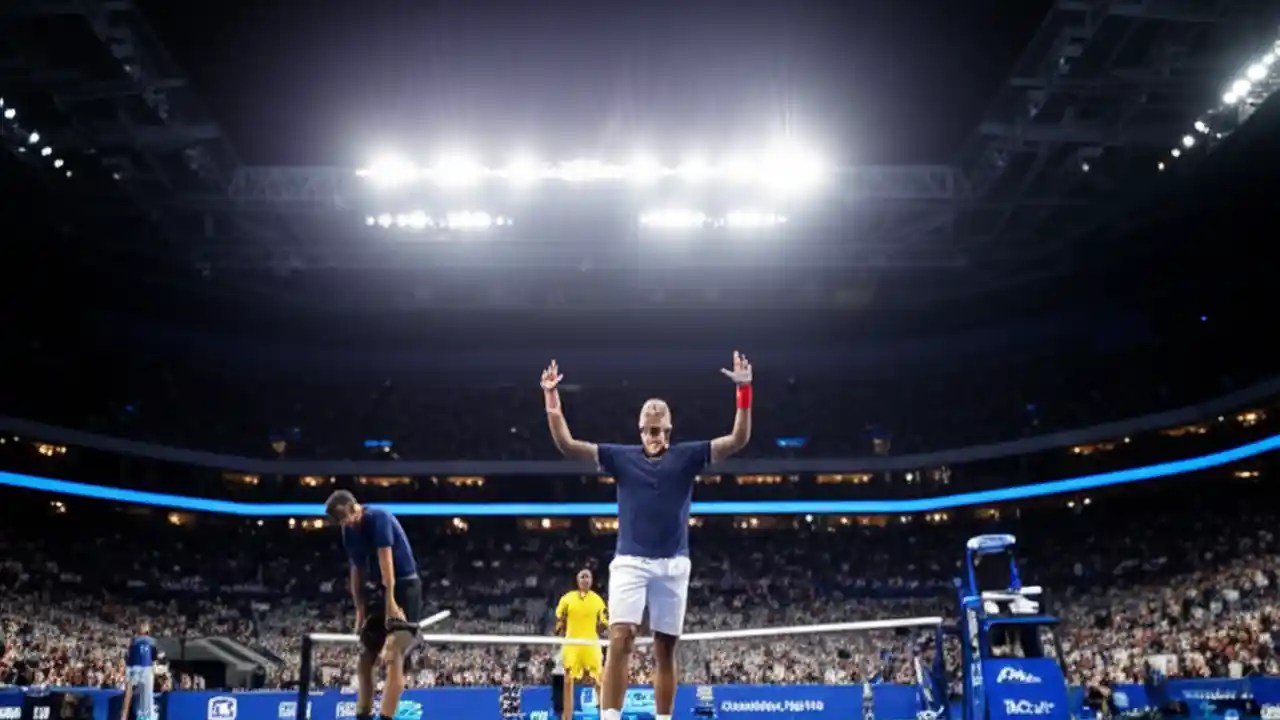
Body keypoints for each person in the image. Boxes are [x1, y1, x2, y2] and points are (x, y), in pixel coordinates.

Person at [540, 351, 753, 720]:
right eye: (649, 429)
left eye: (661, 429)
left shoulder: (687, 456)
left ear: (669, 430)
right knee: (620, 637)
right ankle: (610, 717)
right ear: (640, 430)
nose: (655, 434)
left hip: (674, 564)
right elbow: (568, 445)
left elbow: (738, 439)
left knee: (665, 648)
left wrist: (744, 390)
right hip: (631, 562)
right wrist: (550, 397)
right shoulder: (621, 457)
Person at [326, 490, 423, 720]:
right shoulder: (348, 531)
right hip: (377, 590)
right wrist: (360, 610)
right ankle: (363, 715)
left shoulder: (379, 518)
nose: (346, 524)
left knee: (393, 652)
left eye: (346, 518)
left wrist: (391, 604)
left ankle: (386, 717)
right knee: (365, 658)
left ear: (354, 507)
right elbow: (356, 570)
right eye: (341, 522)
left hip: (404, 587)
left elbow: (386, 563)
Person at [555, 568, 609, 720]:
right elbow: (559, 620)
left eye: (588, 577)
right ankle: (567, 717)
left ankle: (605, 715)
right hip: (572, 644)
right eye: (582, 577)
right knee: (568, 681)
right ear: (577, 580)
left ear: (592, 581)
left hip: (591, 643)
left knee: (599, 680)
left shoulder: (597, 600)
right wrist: (560, 628)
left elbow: (604, 622)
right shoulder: (567, 599)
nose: (585, 580)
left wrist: (606, 628)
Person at [119, 622, 159, 720]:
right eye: (141, 626)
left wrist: (154, 668)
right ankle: (124, 717)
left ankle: (143, 717)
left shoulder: (151, 641)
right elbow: (129, 655)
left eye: (144, 627)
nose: (143, 628)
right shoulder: (134, 641)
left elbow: (154, 658)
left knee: (145, 696)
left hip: (146, 668)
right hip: (134, 667)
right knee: (128, 695)